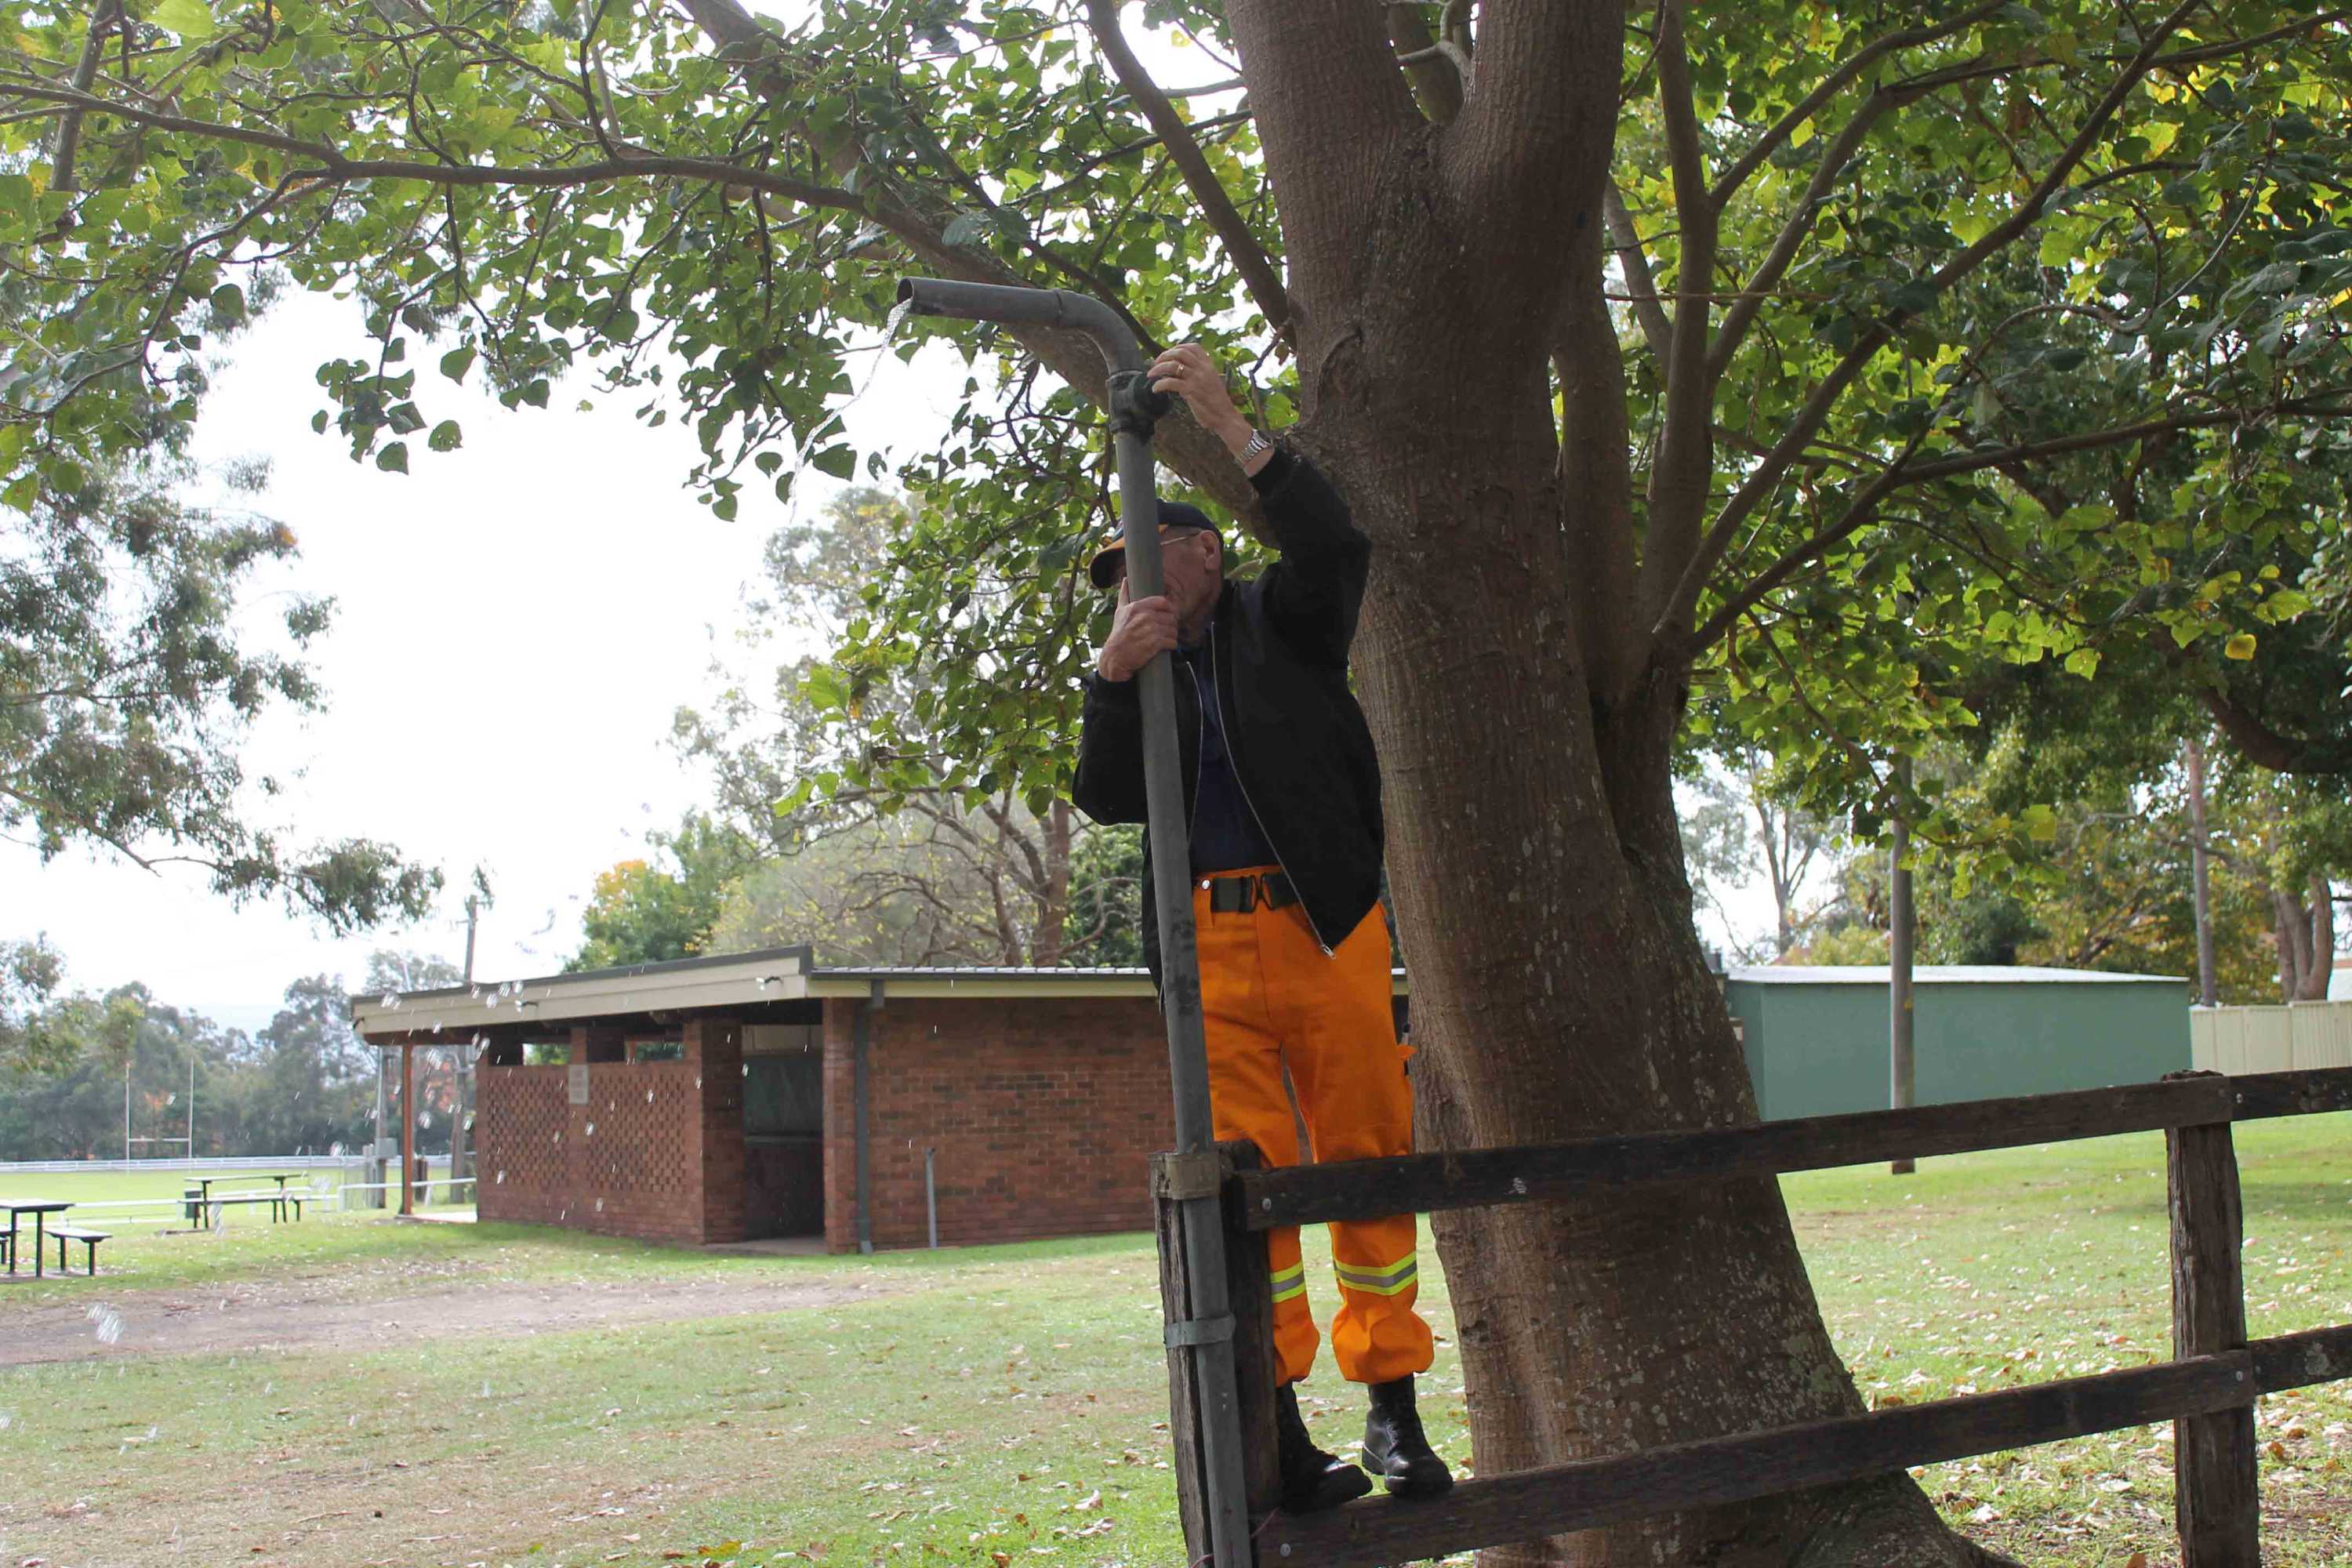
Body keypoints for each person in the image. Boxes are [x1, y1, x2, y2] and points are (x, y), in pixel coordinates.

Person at [1072, 343, 1453, 1512]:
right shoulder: (1136, 672)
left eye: (1148, 555)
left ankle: (1391, 1407)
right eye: (1116, 573)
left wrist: (1233, 427)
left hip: (1324, 929)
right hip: (1204, 953)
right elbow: (1106, 798)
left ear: (1204, 553)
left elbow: (1336, 546)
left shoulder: (1280, 619)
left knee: (1367, 1150)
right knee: (1248, 1182)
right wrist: (1108, 678)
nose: (1132, 581)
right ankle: (1280, 1428)